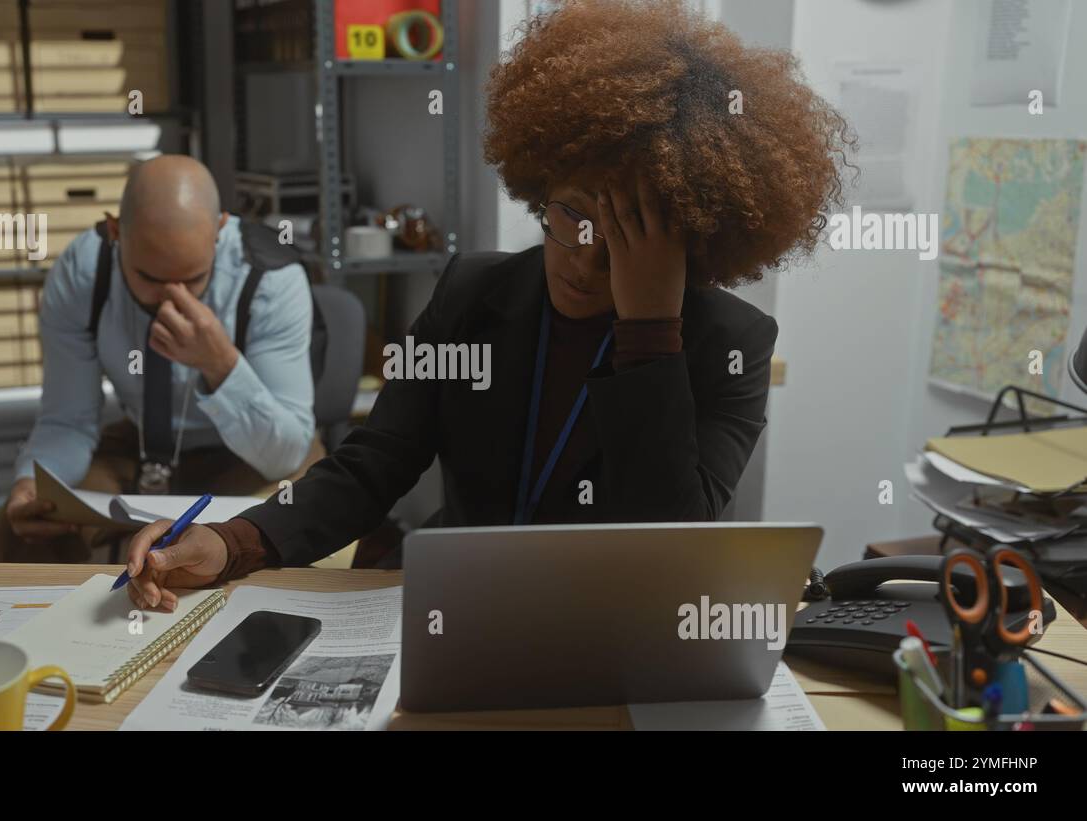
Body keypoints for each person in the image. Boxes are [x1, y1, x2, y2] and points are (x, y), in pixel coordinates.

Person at [120, 0, 854, 611]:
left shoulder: (730, 343)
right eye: (571, 215)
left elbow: (668, 545)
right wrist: (234, 542)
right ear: (541, 184)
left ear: (689, 242)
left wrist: (650, 331)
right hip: (459, 605)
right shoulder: (473, 294)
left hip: (611, 628)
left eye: (628, 236)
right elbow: (374, 463)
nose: (588, 256)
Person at [0, 155, 318, 563]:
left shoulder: (272, 279)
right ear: (115, 232)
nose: (170, 298)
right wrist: (28, 483)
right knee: (23, 530)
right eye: (149, 278)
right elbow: (67, 419)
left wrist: (220, 365)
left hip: (249, 453)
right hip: (138, 445)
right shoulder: (83, 273)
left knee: (301, 516)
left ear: (219, 230)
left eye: (193, 279)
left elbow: (284, 454)